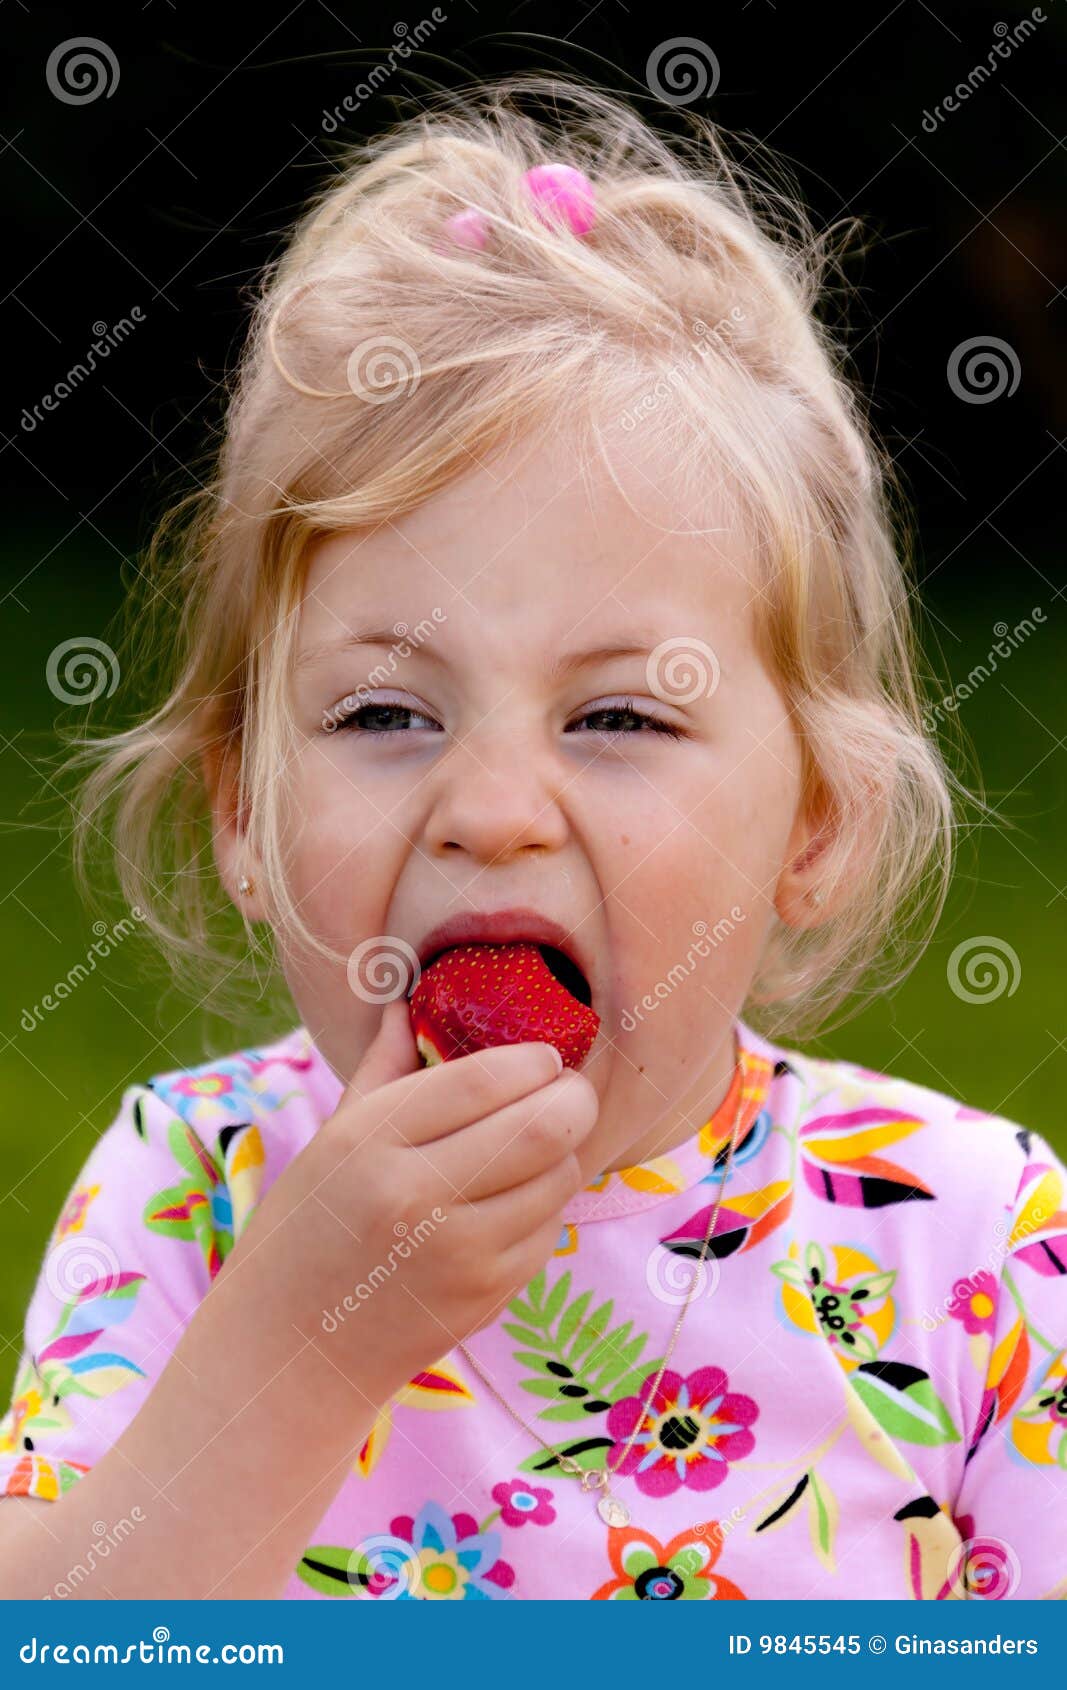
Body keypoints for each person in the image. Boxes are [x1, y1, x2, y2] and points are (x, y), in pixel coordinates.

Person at [1, 75, 1063, 1601]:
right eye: (383, 714)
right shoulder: (194, 1190)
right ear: (244, 806)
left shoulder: (972, 1245)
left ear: (815, 819)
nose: (493, 813)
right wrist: (299, 1350)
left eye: (620, 718)